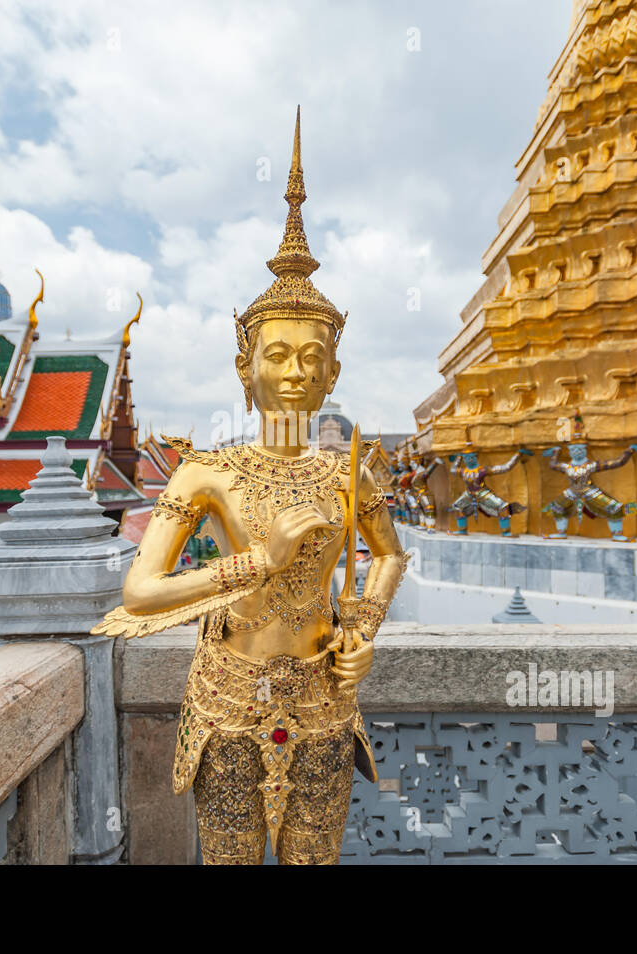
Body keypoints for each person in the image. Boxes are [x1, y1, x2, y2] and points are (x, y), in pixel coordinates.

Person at [92, 110, 406, 865]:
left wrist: (363, 629)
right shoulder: (209, 471)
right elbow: (139, 592)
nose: (296, 372)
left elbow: (390, 554)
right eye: (277, 354)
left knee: (312, 858)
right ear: (246, 367)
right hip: (229, 696)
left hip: (326, 695)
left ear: (334, 370)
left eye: (312, 356)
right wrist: (257, 561)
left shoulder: (349, 468)